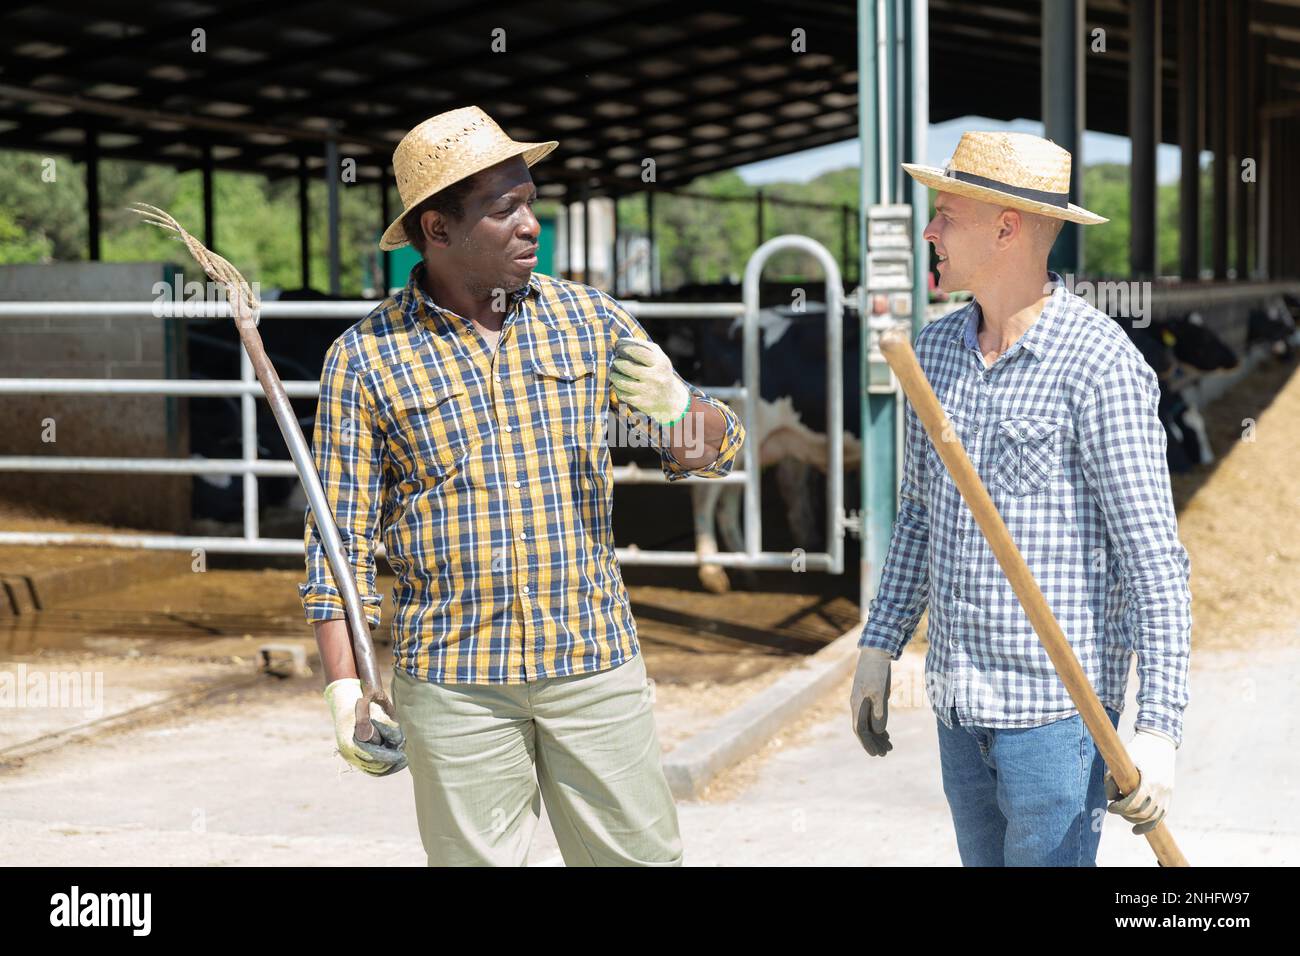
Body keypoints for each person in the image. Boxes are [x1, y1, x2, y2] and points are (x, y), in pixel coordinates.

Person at [298, 106, 745, 866]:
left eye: (531, 201)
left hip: (592, 660)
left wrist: (681, 414)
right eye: (505, 209)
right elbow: (336, 543)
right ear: (436, 230)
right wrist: (345, 685)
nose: (532, 225)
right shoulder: (364, 358)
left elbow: (715, 451)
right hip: (454, 681)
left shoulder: (590, 321)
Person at [849, 131, 1191, 866]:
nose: (929, 230)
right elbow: (919, 516)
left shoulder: (1100, 364)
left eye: (946, 214)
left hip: (1057, 720)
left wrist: (1158, 730)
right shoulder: (934, 354)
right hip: (959, 703)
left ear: (1007, 227)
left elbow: (1154, 563)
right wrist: (879, 644)